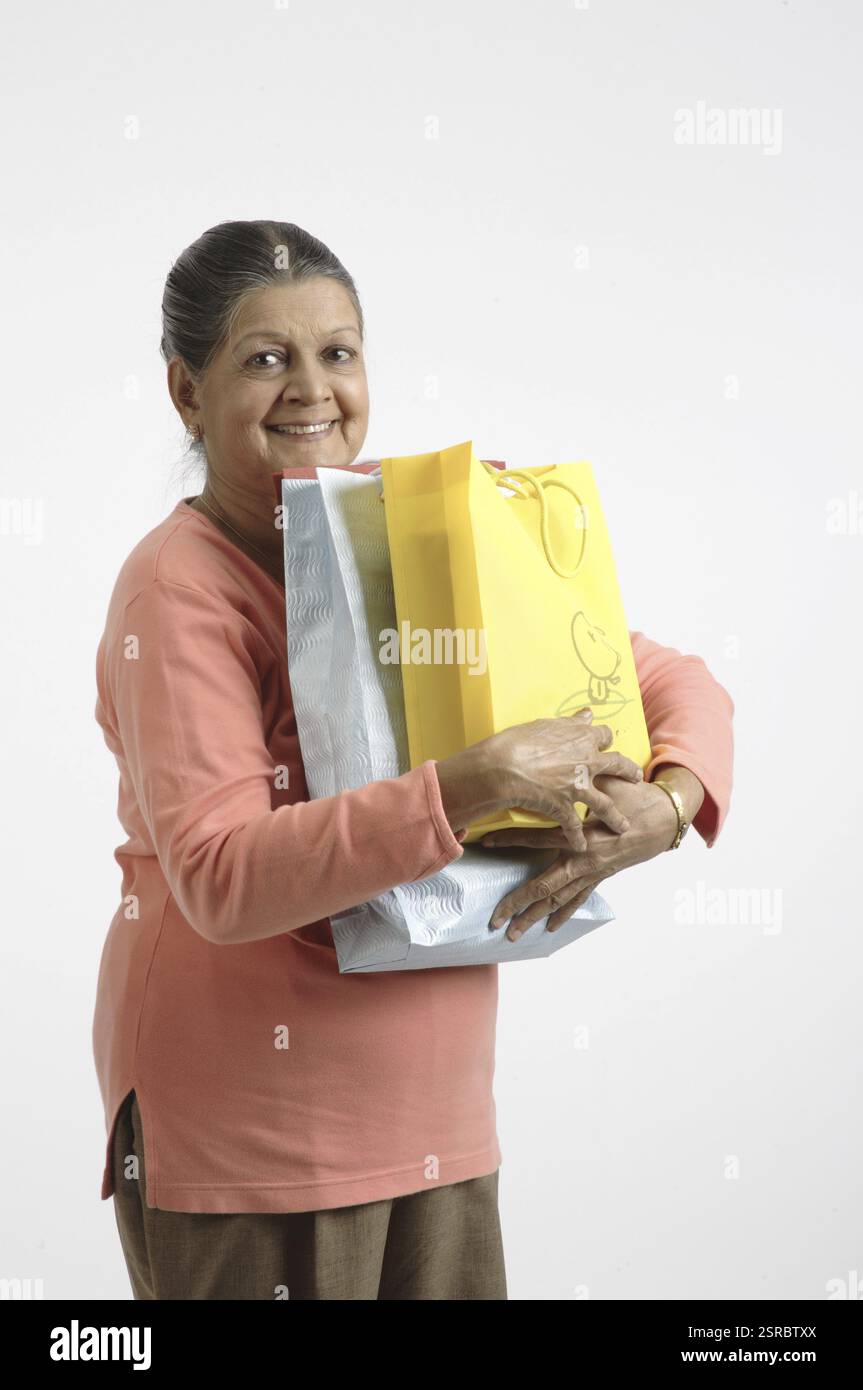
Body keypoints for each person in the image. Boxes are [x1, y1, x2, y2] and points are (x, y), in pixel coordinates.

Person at [92, 219, 734, 1301]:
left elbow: (664, 678)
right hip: (256, 1138)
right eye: (264, 357)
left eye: (337, 352)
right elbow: (220, 871)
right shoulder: (178, 588)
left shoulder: (406, 523)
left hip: (435, 1119)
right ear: (185, 393)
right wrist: (466, 786)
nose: (312, 389)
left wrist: (668, 805)